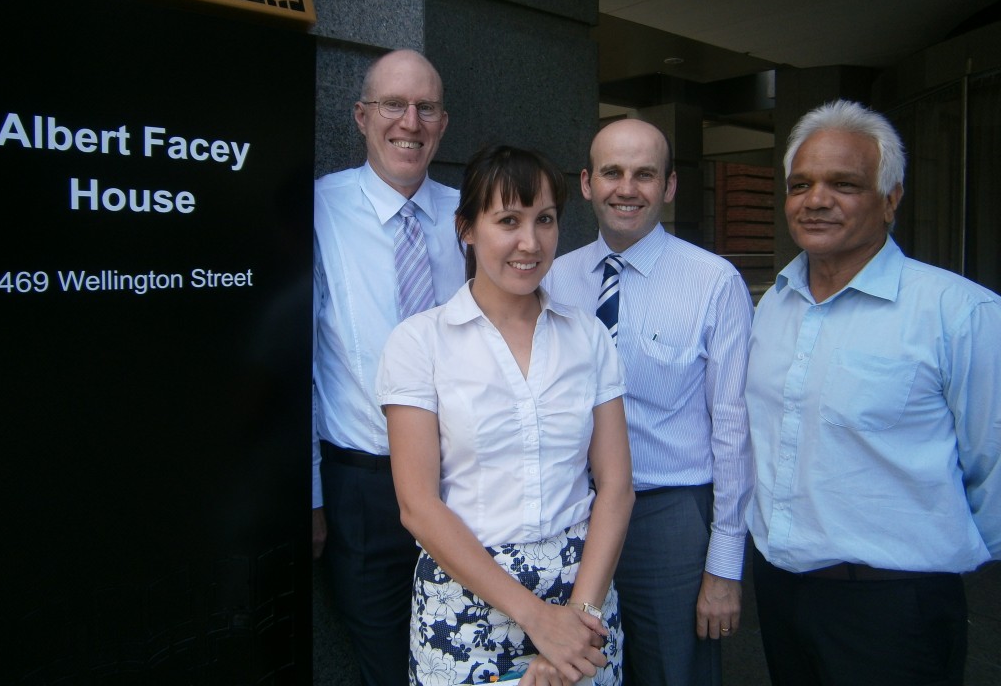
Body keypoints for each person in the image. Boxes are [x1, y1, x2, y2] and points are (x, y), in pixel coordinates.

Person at [746, 99, 1001, 686]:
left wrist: (936, 552)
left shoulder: (958, 312)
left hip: (896, 607)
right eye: (800, 184)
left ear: (891, 199)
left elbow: (992, 465)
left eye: (845, 184)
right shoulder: (773, 305)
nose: (816, 200)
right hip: (782, 594)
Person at [377, 145, 635, 685]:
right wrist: (539, 620)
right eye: (508, 220)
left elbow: (615, 486)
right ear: (466, 229)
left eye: (545, 220)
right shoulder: (419, 342)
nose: (530, 242)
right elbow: (417, 505)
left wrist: (579, 621)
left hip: (581, 589)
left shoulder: (587, 334)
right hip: (467, 597)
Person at [543, 118, 754, 686]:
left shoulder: (715, 282)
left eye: (645, 174)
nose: (626, 188)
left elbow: (734, 430)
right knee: (580, 671)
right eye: (612, 172)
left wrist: (724, 568)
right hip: (571, 514)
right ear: (587, 183)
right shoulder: (552, 279)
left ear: (670, 186)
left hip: (670, 517)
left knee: (673, 673)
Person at [312, 49, 466, 686]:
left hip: (466, 486)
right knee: (384, 668)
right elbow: (290, 365)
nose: (411, 121)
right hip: (363, 492)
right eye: (393, 105)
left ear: (443, 122)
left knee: (463, 659)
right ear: (361, 116)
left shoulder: (472, 217)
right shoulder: (315, 211)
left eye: (426, 107)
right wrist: (312, 497)